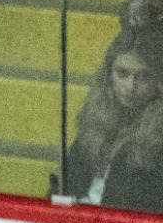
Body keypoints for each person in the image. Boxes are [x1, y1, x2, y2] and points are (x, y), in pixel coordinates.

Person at [68, 30, 163, 206]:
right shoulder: (94, 122)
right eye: (122, 73)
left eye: (142, 77)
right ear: (109, 75)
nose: (130, 86)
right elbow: (63, 187)